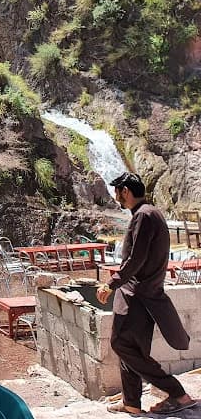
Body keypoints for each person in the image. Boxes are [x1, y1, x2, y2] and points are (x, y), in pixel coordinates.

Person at [97, 172, 196, 415]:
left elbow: (136, 259)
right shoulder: (150, 213)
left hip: (137, 297)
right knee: (133, 351)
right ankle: (132, 403)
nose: (116, 198)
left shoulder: (144, 215)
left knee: (120, 343)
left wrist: (112, 283)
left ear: (126, 191)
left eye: (117, 192)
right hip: (142, 296)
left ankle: (177, 393)